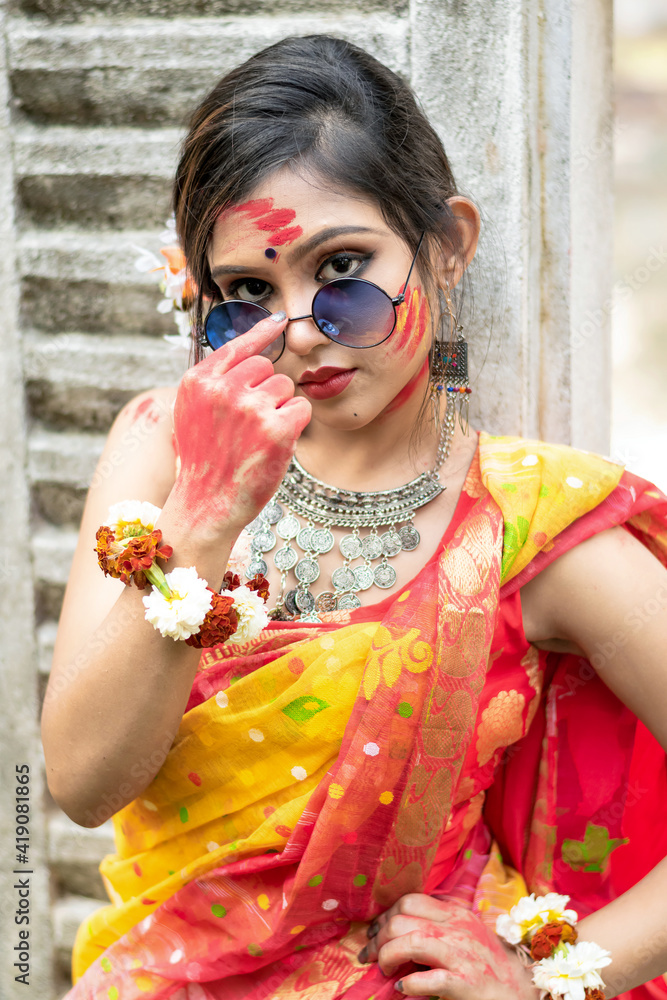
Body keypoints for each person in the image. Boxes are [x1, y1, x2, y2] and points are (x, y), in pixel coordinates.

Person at [41, 33, 667, 1000]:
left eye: (343, 269)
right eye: (248, 291)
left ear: (447, 245)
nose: (299, 332)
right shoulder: (162, 447)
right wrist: (206, 516)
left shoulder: (526, 525)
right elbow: (83, 783)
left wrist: (542, 977)